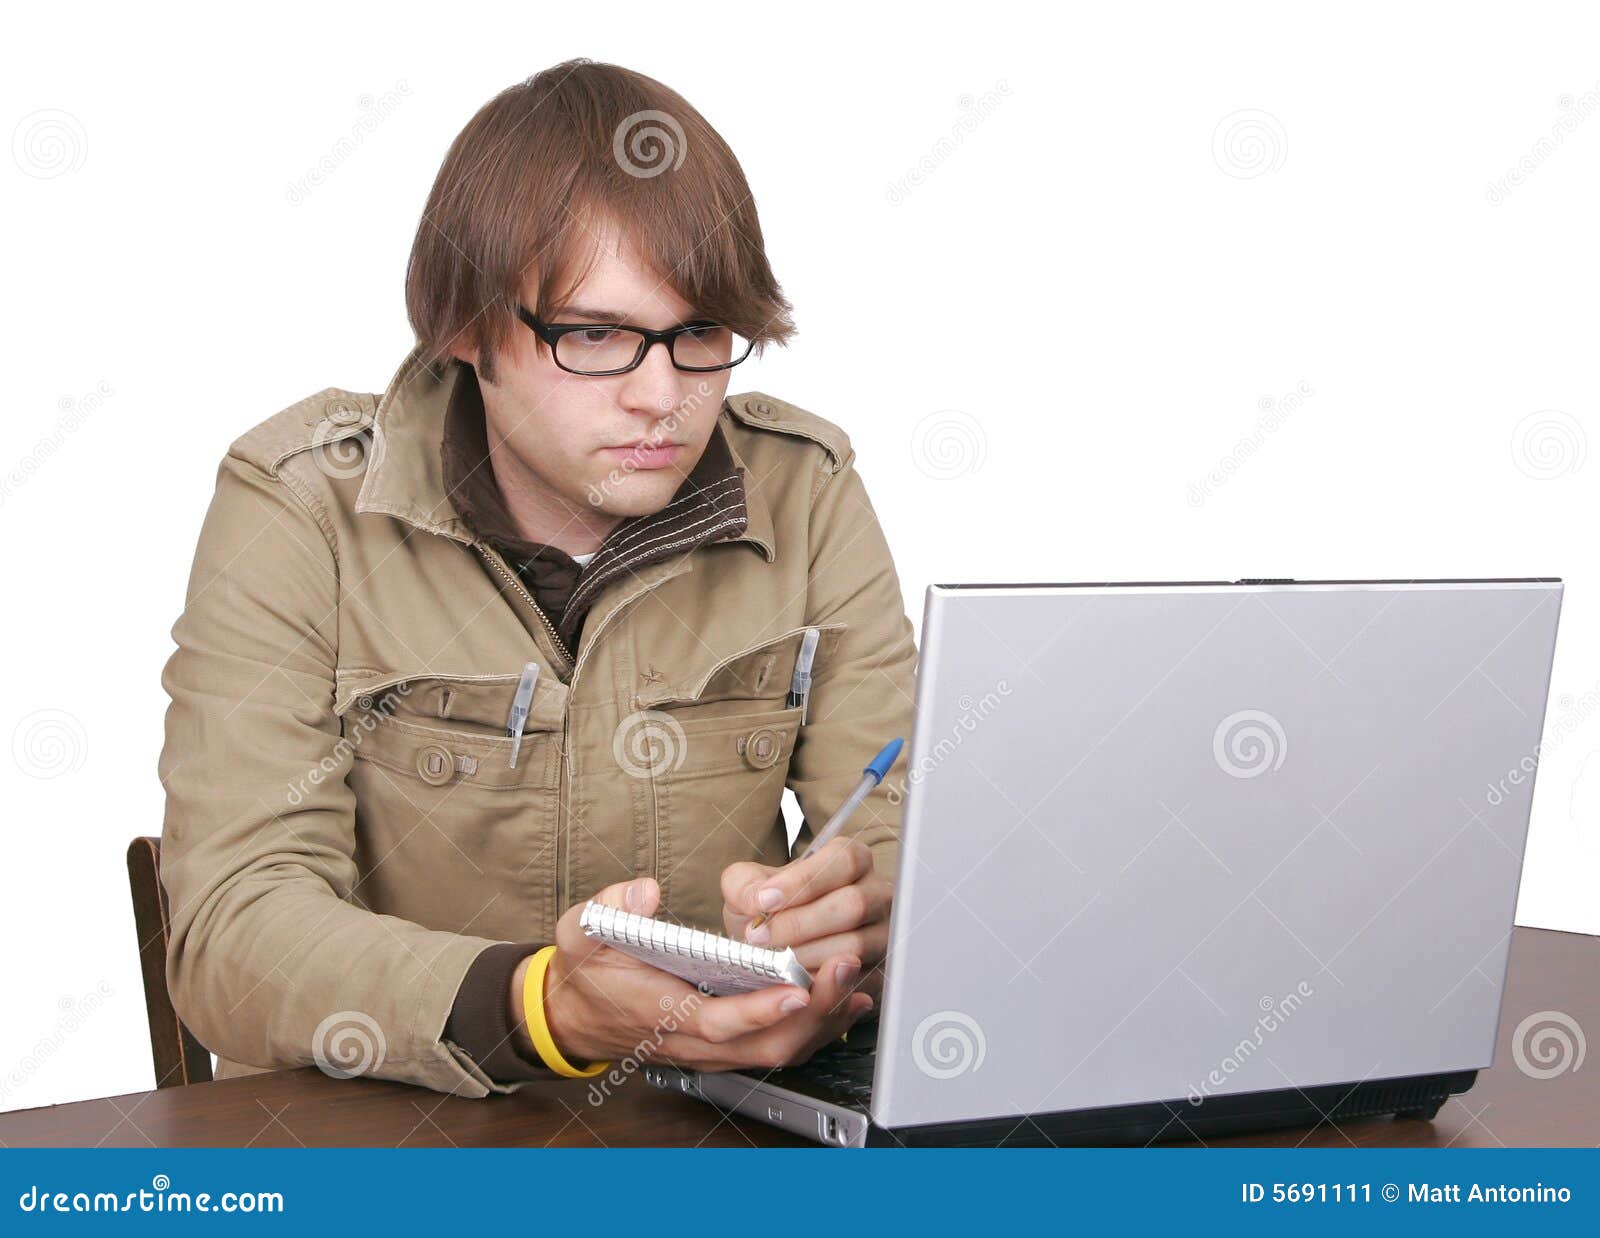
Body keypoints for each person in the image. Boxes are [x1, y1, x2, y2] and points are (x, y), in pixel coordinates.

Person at [157, 59, 917, 1096]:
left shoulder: (809, 490)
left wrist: (858, 927)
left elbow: (902, 841)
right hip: (380, 1152)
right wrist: (541, 1004)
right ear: (467, 328)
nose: (664, 395)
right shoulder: (299, 504)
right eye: (595, 333)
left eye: (698, 332)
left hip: (697, 1138)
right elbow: (233, 931)